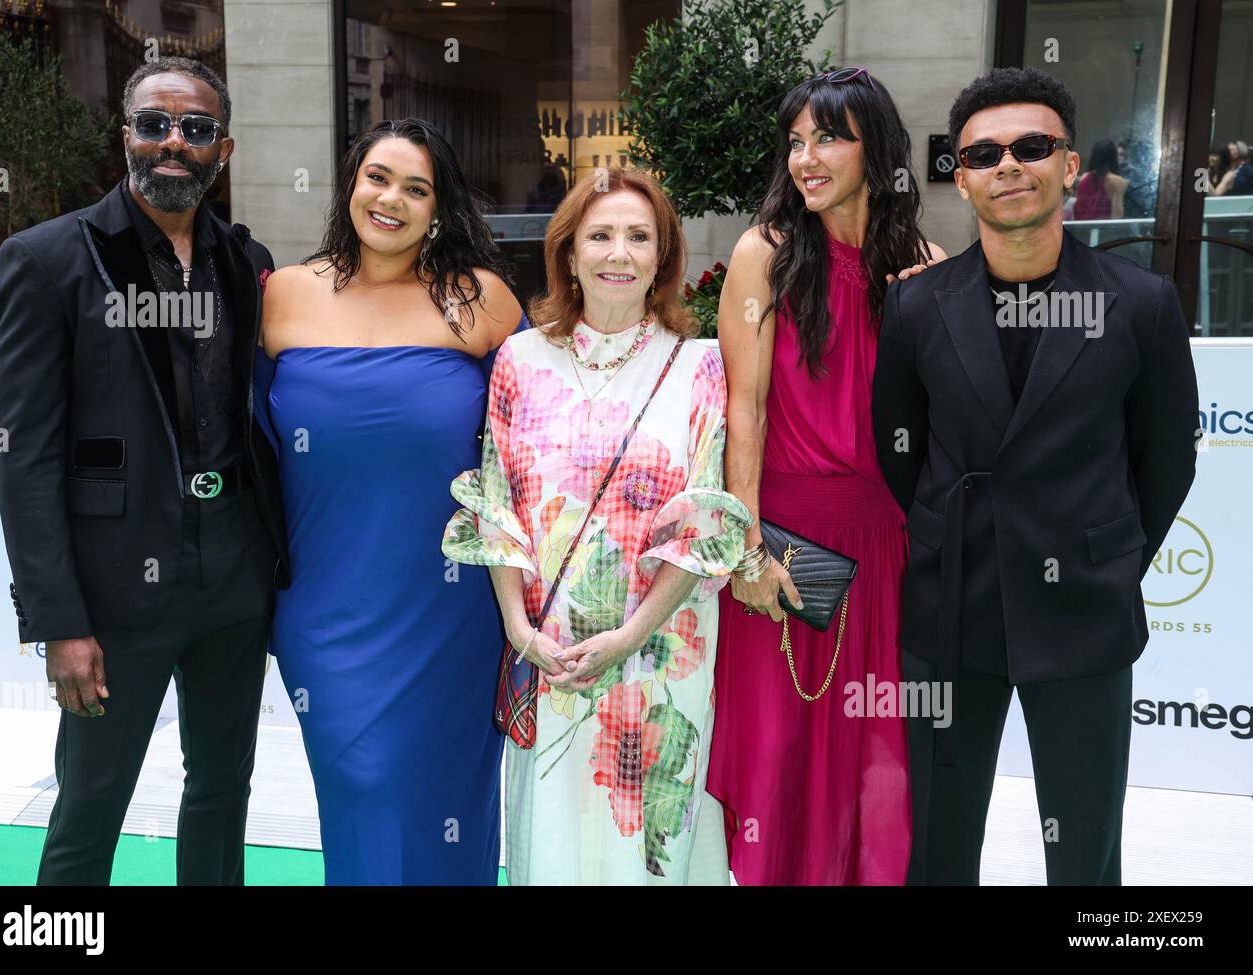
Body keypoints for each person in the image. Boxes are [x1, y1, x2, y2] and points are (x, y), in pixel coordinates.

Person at [871, 67, 1198, 885]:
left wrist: (1106, 553)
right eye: (984, 152)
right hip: (949, 610)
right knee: (936, 846)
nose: (1007, 164)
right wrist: (953, 533)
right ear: (962, 175)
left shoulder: (1143, 303)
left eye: (1031, 146)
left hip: (1084, 609)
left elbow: (1166, 459)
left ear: (1070, 166)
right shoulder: (916, 307)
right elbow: (898, 448)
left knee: (1084, 851)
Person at [0, 57, 289, 885]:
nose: (172, 142)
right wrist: (58, 620)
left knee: (224, 788)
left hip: (234, 572)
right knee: (91, 804)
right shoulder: (47, 258)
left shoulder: (245, 258)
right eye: (154, 123)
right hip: (115, 589)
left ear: (221, 149)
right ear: (125, 135)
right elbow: (26, 458)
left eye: (194, 129)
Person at [441, 166, 750, 884]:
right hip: (549, 655)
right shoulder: (520, 358)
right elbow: (497, 505)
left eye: (639, 237)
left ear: (662, 255)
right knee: (553, 839)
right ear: (570, 253)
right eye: (600, 235)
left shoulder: (699, 365)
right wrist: (519, 630)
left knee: (648, 849)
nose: (619, 252)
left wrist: (629, 635)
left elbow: (707, 523)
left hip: (661, 656)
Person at [258, 118, 523, 885]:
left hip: (452, 613)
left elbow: (538, 438)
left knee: (447, 801)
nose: (391, 199)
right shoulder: (282, 296)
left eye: (416, 187)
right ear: (350, 184)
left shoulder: (481, 301)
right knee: (362, 790)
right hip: (323, 611)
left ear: (438, 209)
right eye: (378, 177)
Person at [706, 68, 946, 886]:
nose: (806, 158)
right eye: (797, 141)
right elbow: (746, 410)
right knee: (780, 749)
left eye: (829, 138)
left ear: (874, 147)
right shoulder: (763, 252)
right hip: (787, 542)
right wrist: (746, 552)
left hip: (889, 544)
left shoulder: (923, 266)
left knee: (881, 759)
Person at [1072, 139, 1127, 219]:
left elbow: (1077, 210)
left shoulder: (1084, 178)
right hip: (1104, 229)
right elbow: (1117, 215)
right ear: (1113, 157)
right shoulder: (1117, 182)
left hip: (1081, 228)